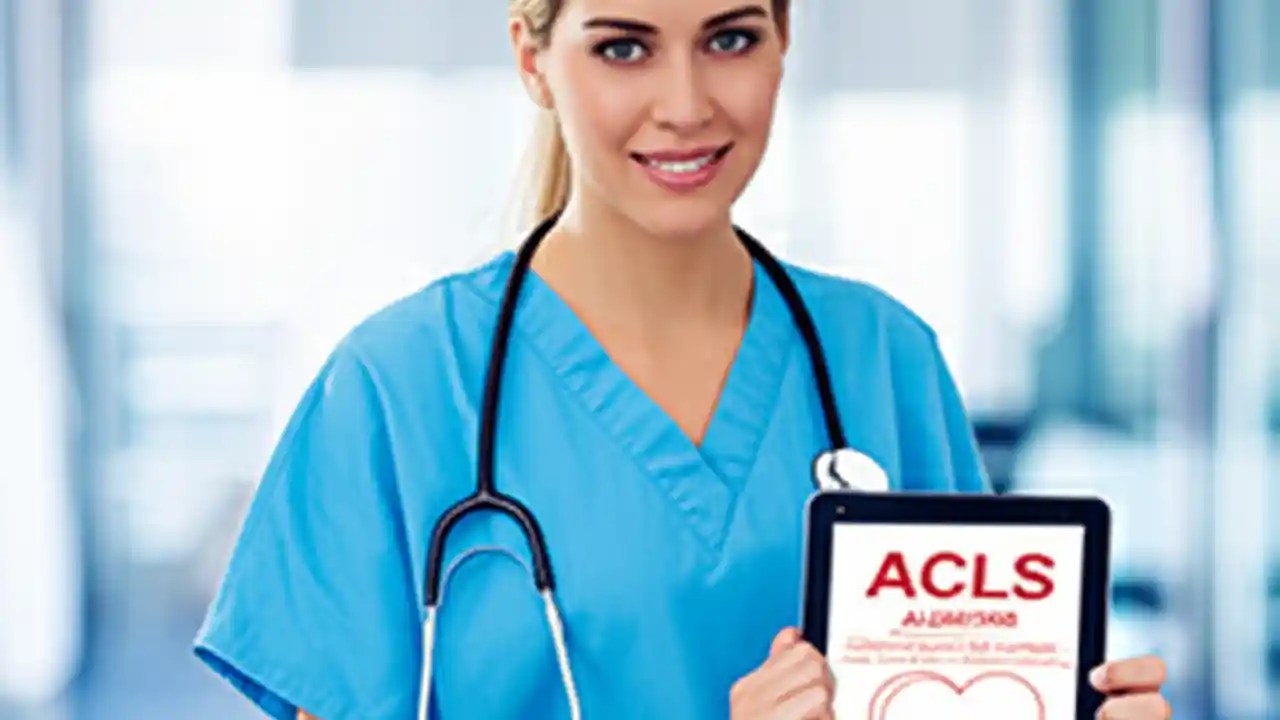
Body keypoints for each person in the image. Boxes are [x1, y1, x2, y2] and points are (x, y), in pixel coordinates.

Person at [194, 1, 1172, 718]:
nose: (686, 104)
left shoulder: (883, 359)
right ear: (533, 60)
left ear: (783, 40)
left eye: (729, 39)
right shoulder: (398, 388)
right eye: (623, 47)